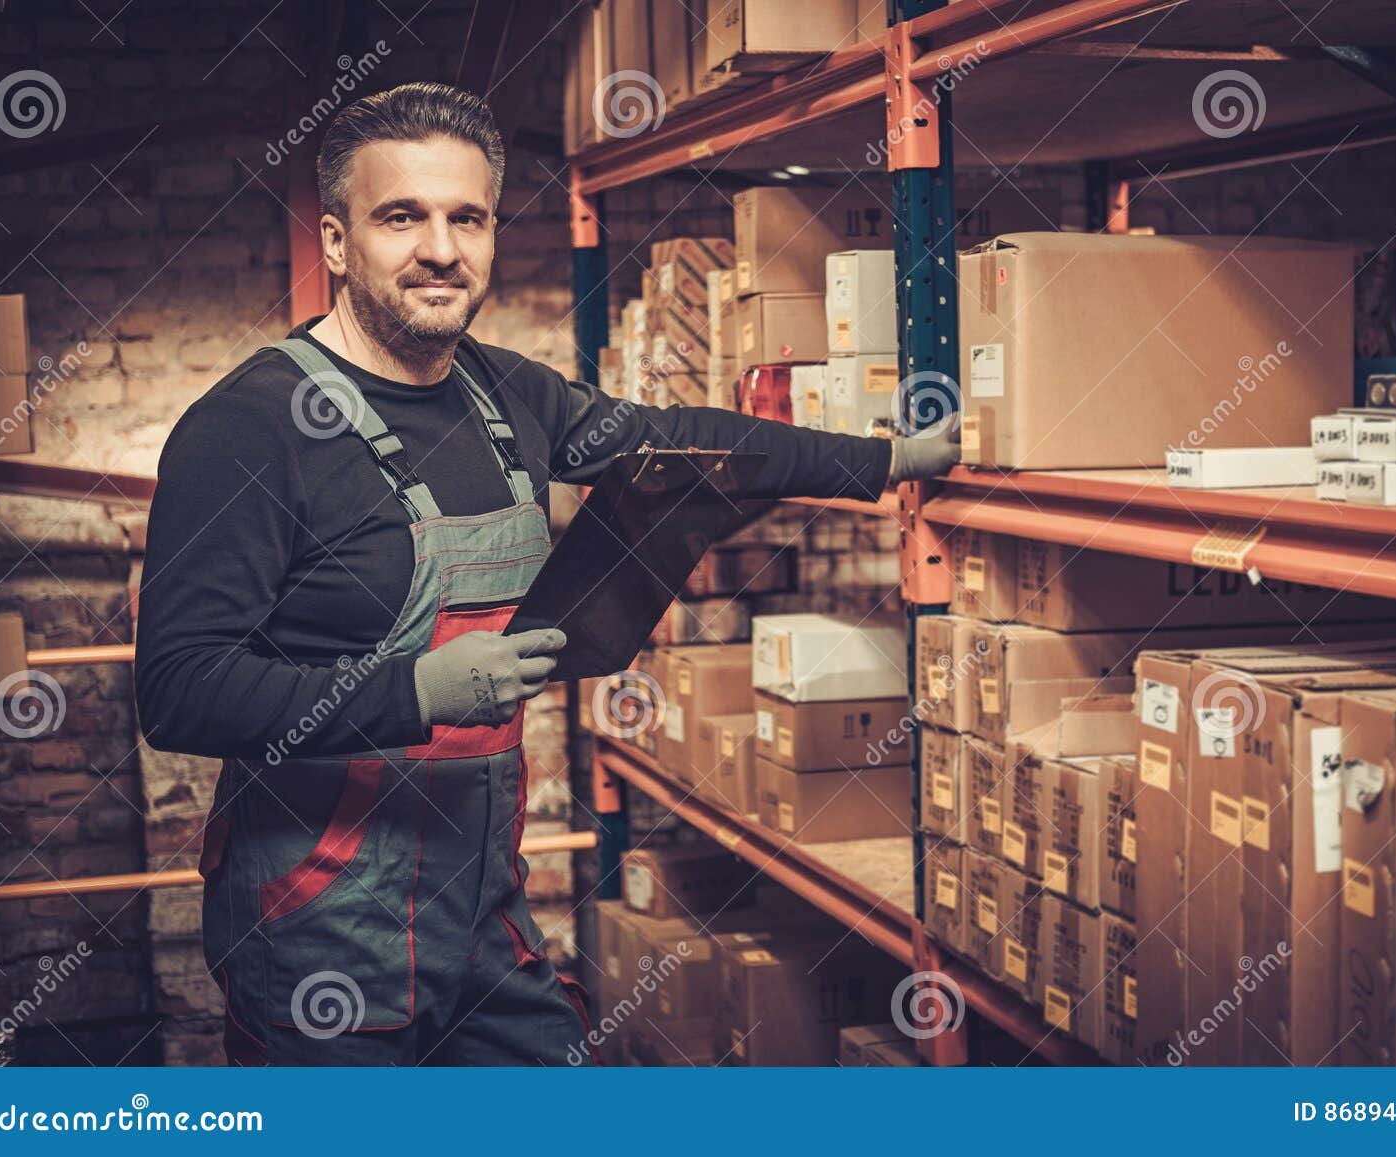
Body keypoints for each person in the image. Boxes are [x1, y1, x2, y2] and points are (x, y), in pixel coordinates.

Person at [134, 82, 957, 1066]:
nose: (441, 248)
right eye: (402, 216)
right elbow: (179, 690)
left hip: (480, 913)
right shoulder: (249, 428)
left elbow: (677, 444)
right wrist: (413, 689)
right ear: (341, 239)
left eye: (466, 217)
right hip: (317, 929)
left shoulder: (504, 393)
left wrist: (875, 463)